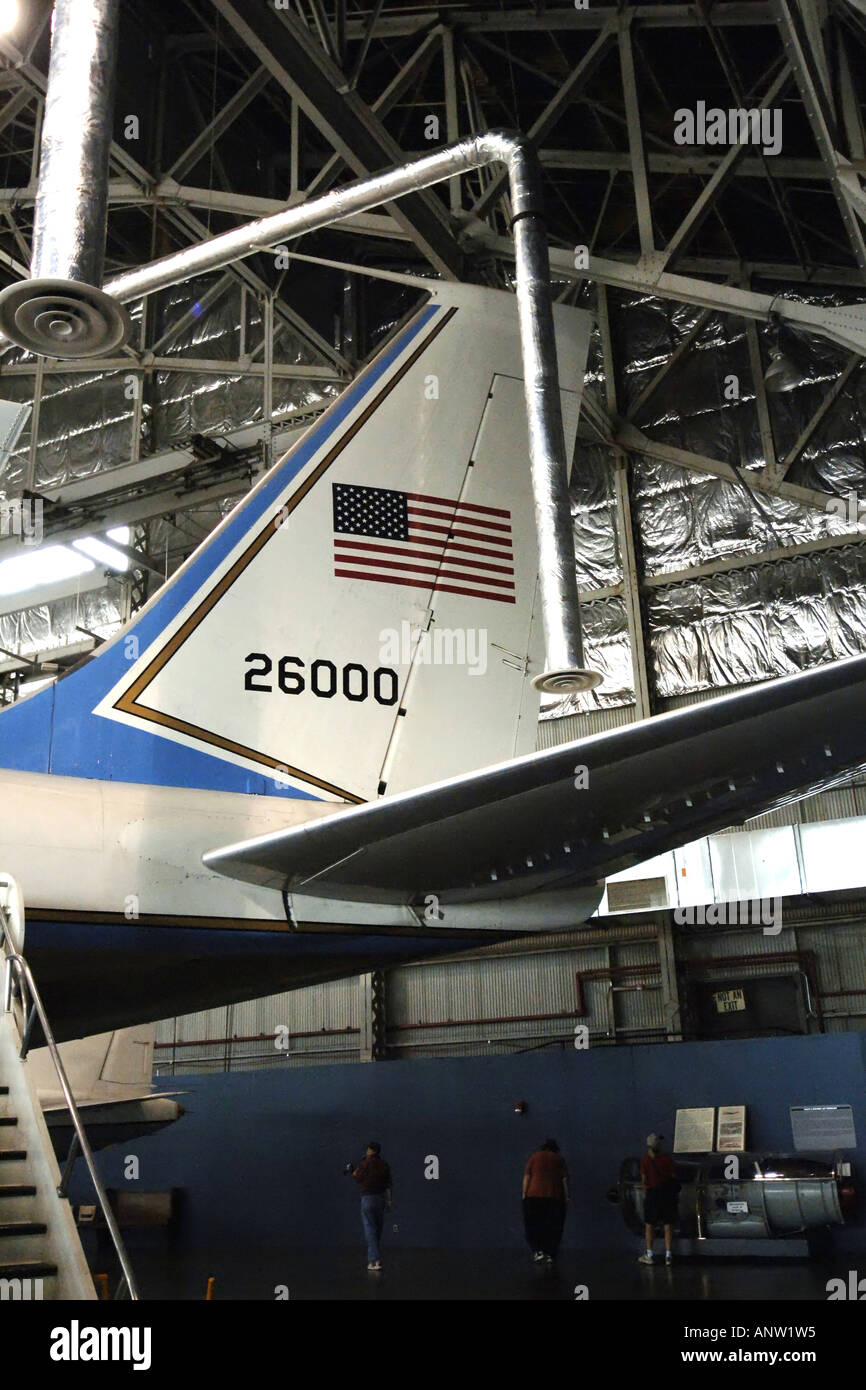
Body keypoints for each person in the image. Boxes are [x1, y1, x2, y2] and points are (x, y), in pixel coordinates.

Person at [522, 1138, 569, 1265]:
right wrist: (566, 1197)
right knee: (553, 1226)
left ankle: (537, 1252)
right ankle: (550, 1254)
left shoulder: (534, 1157)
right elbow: (564, 1180)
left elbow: (527, 1177)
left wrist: (524, 1195)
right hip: (554, 1197)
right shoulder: (559, 1159)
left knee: (534, 1225)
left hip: (533, 1196)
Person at [351, 1141, 392, 1271]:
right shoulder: (384, 1164)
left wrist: (352, 1171)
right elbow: (389, 1184)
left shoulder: (365, 1163)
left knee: (369, 1229)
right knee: (377, 1229)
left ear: (369, 1150)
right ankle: (375, 1259)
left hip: (367, 1198)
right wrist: (389, 1201)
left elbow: (357, 1177)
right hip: (381, 1199)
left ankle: (374, 1260)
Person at [638, 1132, 678, 1265]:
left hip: (652, 1194)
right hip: (666, 1194)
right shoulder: (667, 1159)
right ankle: (668, 1255)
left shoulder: (645, 1160)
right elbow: (673, 1176)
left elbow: (644, 1181)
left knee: (649, 1225)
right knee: (668, 1225)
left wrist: (646, 1196)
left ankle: (649, 1254)